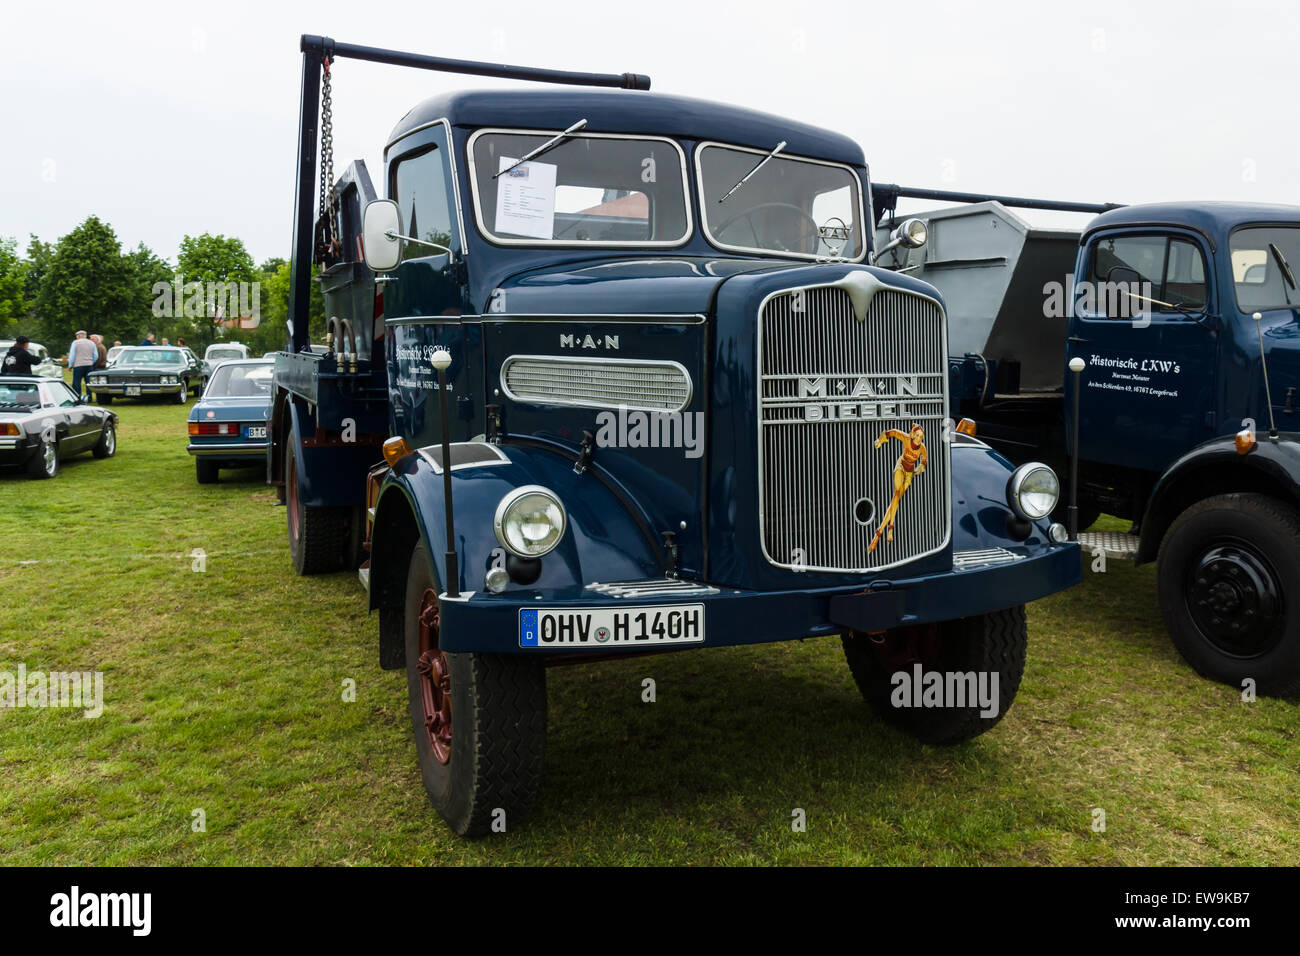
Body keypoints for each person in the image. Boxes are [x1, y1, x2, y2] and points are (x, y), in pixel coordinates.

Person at [67, 330, 98, 398]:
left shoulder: (75, 343)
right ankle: (89, 398)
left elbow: (72, 355)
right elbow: (95, 355)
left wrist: (70, 365)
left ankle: (77, 397)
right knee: (88, 383)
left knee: (77, 383)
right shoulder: (92, 343)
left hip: (78, 365)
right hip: (89, 365)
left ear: (79, 336)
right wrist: (91, 362)